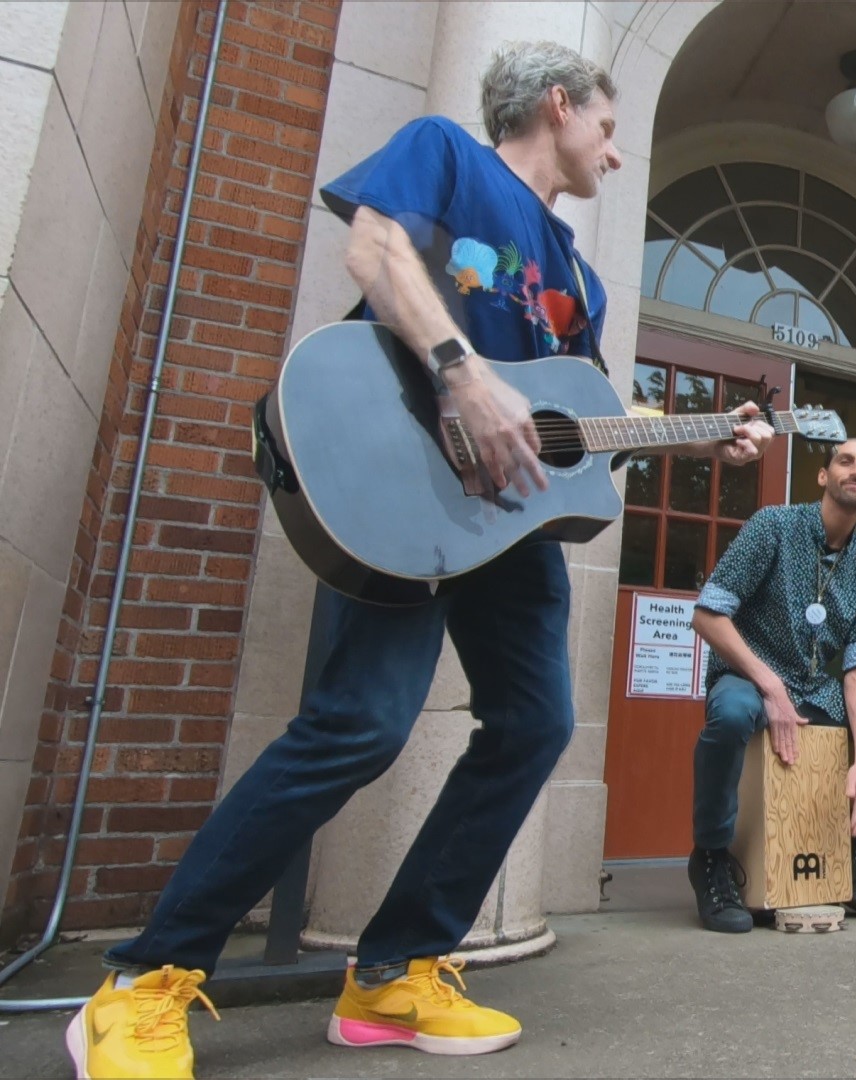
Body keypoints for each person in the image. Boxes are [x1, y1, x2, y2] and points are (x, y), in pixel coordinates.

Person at [66, 41, 774, 1079]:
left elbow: (581, 415)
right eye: (609, 132)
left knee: (535, 724)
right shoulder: (445, 150)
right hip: (409, 480)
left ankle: (394, 972)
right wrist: (460, 373)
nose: (615, 158)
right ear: (560, 105)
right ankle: (146, 981)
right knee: (359, 723)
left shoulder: (580, 277)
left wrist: (697, 436)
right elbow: (376, 254)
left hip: (509, 524)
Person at [688, 438, 856, 932]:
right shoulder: (773, 525)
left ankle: (854, 852)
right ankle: (710, 857)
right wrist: (769, 686)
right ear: (824, 475)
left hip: (817, 691)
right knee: (729, 716)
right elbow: (708, 615)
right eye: (846, 460)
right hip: (748, 677)